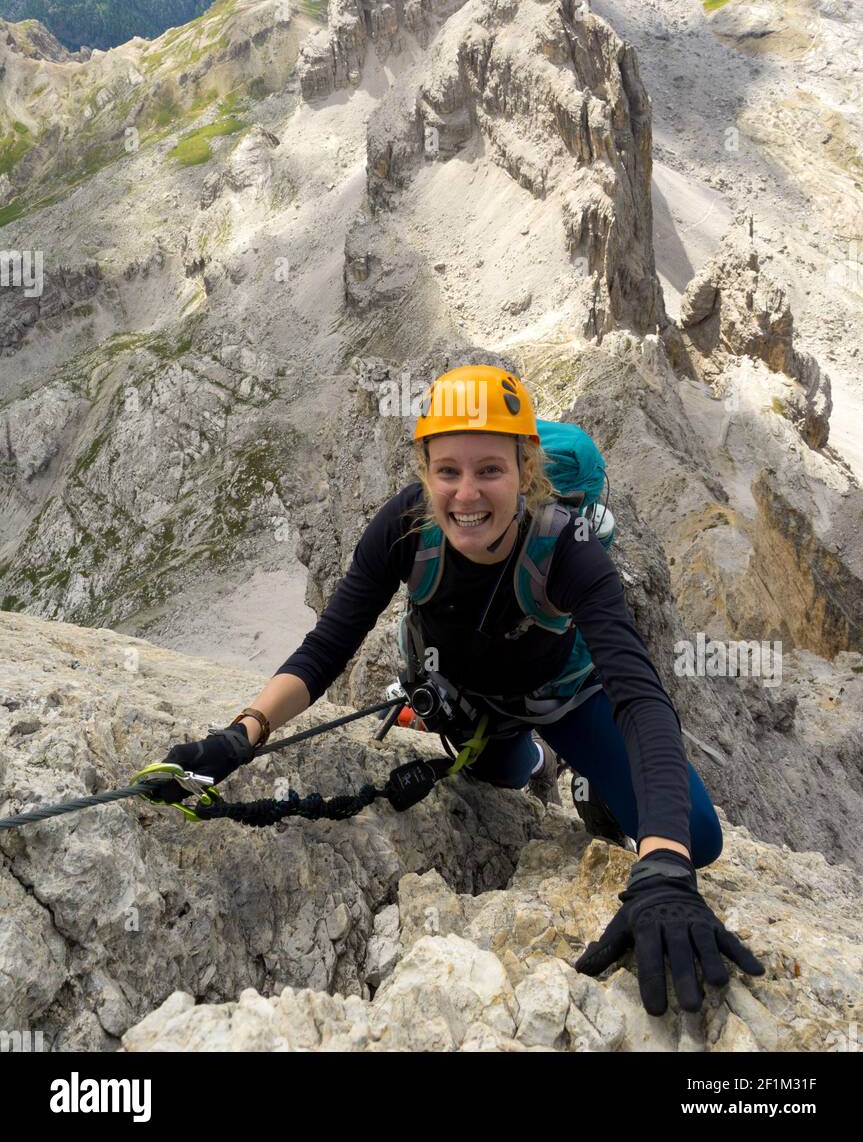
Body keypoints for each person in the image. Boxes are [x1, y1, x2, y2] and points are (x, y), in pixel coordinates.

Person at [156, 364, 764, 1018]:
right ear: (424, 472)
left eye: (489, 471)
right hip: (468, 698)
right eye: (447, 471)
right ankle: (535, 764)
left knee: (697, 837)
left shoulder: (568, 547)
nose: (466, 493)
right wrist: (242, 733)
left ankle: (590, 784)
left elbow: (640, 698)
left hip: (564, 696)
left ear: (525, 471)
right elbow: (328, 646)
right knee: (501, 776)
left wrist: (666, 868)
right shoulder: (404, 527)